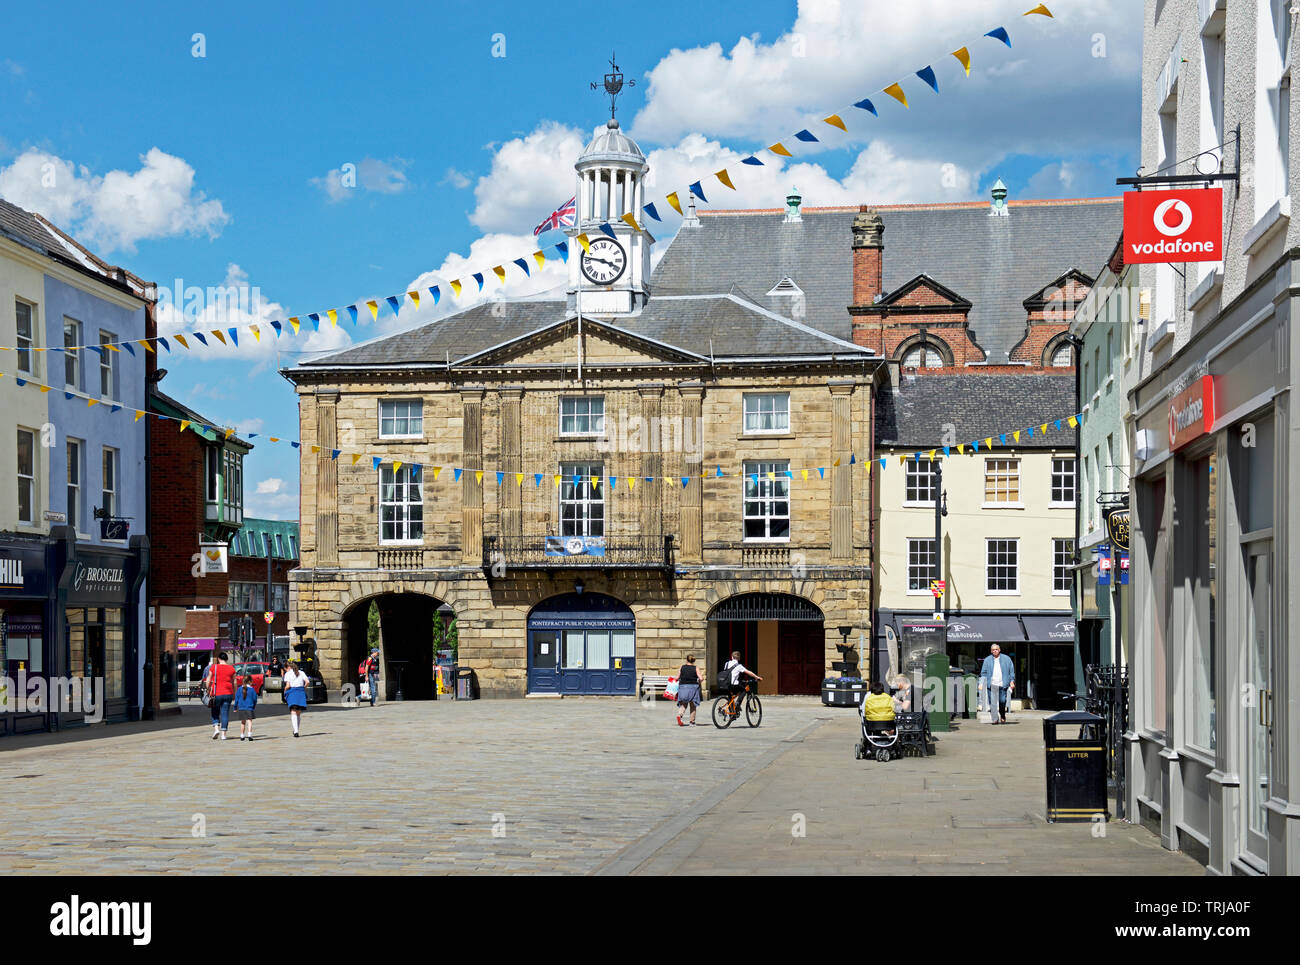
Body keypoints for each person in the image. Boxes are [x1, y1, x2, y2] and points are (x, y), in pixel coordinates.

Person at [205, 651, 237, 741]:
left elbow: (208, 679)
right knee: (225, 713)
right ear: (226, 659)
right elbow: (234, 682)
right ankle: (224, 735)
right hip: (228, 693)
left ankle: (216, 729)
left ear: (218, 659)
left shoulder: (214, 667)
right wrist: (234, 693)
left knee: (215, 711)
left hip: (216, 693)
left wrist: (207, 689)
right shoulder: (231, 668)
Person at [980, 644, 1015, 724]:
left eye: (996, 649)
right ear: (991, 651)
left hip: (1003, 684)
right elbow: (983, 673)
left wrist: (1012, 681)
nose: (994, 651)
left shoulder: (1007, 659)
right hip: (991, 685)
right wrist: (981, 683)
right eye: (993, 650)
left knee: (1002, 702)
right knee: (992, 703)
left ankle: (1002, 715)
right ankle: (995, 719)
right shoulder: (987, 660)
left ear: (999, 650)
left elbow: (1011, 671)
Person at [722, 651, 761, 719]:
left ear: (732, 657)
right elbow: (749, 672)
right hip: (733, 685)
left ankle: (732, 714)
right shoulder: (739, 666)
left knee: (730, 698)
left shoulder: (726, 663)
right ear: (739, 658)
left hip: (725, 684)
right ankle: (737, 703)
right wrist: (757, 677)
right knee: (744, 689)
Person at [282, 660, 310, 737]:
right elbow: (307, 682)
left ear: (288, 667)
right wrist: (303, 688)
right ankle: (296, 730)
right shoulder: (301, 672)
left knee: (293, 712)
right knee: (298, 713)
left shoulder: (287, 674)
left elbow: (288, 685)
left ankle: (296, 731)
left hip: (292, 692)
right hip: (300, 692)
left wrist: (284, 691)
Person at [675, 654, 702, 727]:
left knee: (684, 704)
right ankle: (692, 722)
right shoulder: (696, 668)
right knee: (693, 705)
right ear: (693, 661)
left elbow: (677, 678)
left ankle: (679, 715)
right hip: (693, 688)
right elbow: (701, 678)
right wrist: (699, 682)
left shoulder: (682, 667)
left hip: (683, 687)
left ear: (686, 660)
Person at [233, 673, 258, 741]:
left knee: (243, 722)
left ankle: (242, 735)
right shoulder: (252, 689)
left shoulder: (239, 689)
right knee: (249, 722)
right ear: (250, 681)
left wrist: (235, 707)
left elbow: (236, 699)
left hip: (241, 708)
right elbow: (255, 699)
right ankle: (249, 735)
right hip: (249, 707)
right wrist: (254, 706)